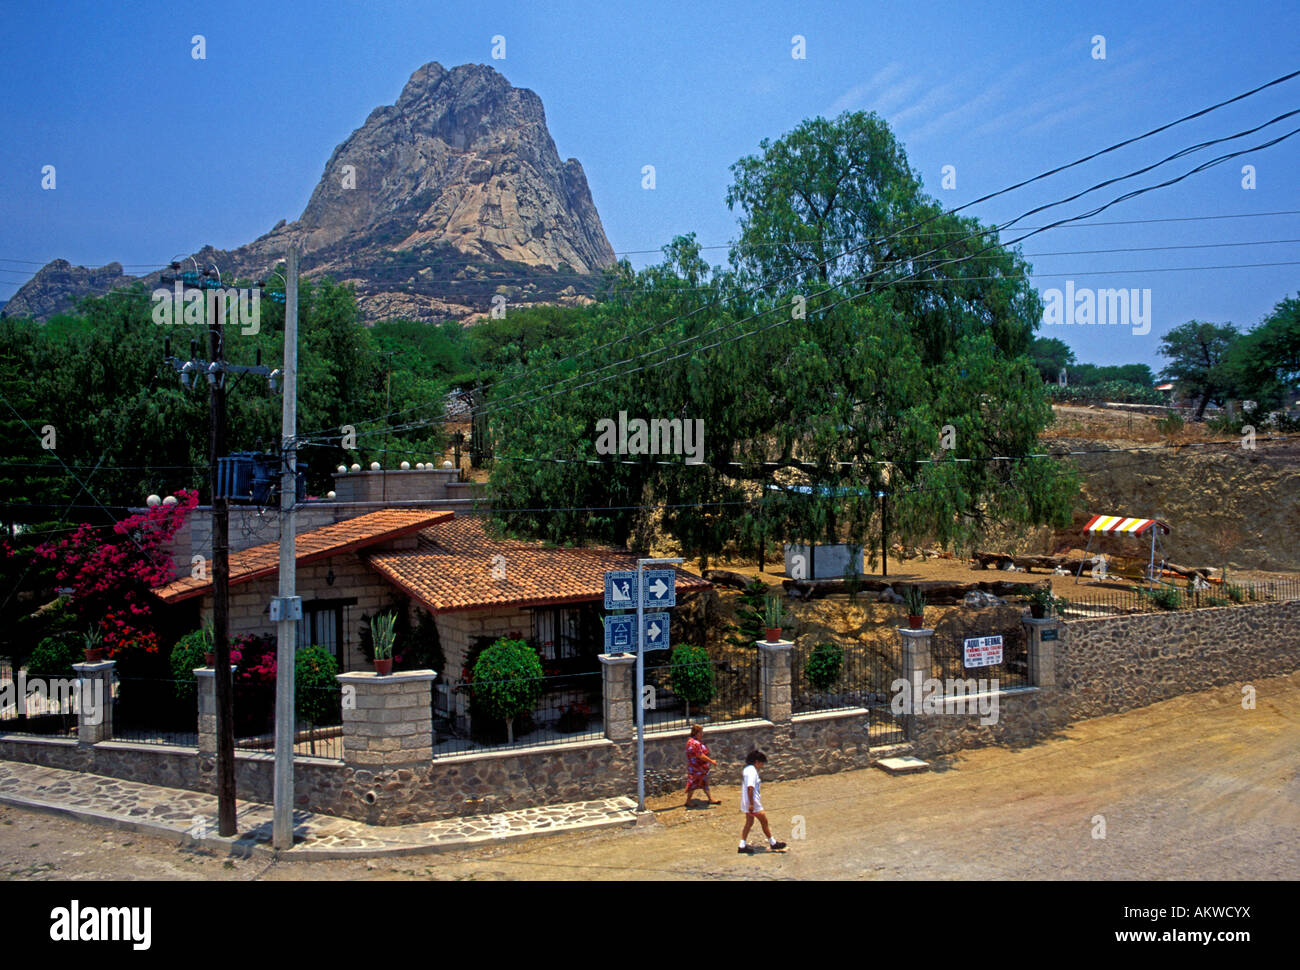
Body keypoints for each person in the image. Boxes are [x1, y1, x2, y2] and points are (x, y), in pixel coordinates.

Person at [738, 749, 786, 854]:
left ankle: (742, 845)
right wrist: (751, 804)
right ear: (757, 762)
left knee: (749, 823)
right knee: (764, 821)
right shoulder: (752, 772)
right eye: (761, 763)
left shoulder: (747, 770)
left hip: (747, 802)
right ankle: (773, 843)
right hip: (753, 803)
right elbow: (750, 788)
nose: (762, 766)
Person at [684, 724, 720, 807]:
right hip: (696, 768)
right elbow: (700, 755)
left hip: (700, 768)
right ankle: (688, 801)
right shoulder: (694, 743)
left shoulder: (693, 742)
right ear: (696, 733)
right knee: (693, 783)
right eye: (701, 732)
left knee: (704, 782)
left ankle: (710, 798)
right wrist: (711, 761)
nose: (702, 734)